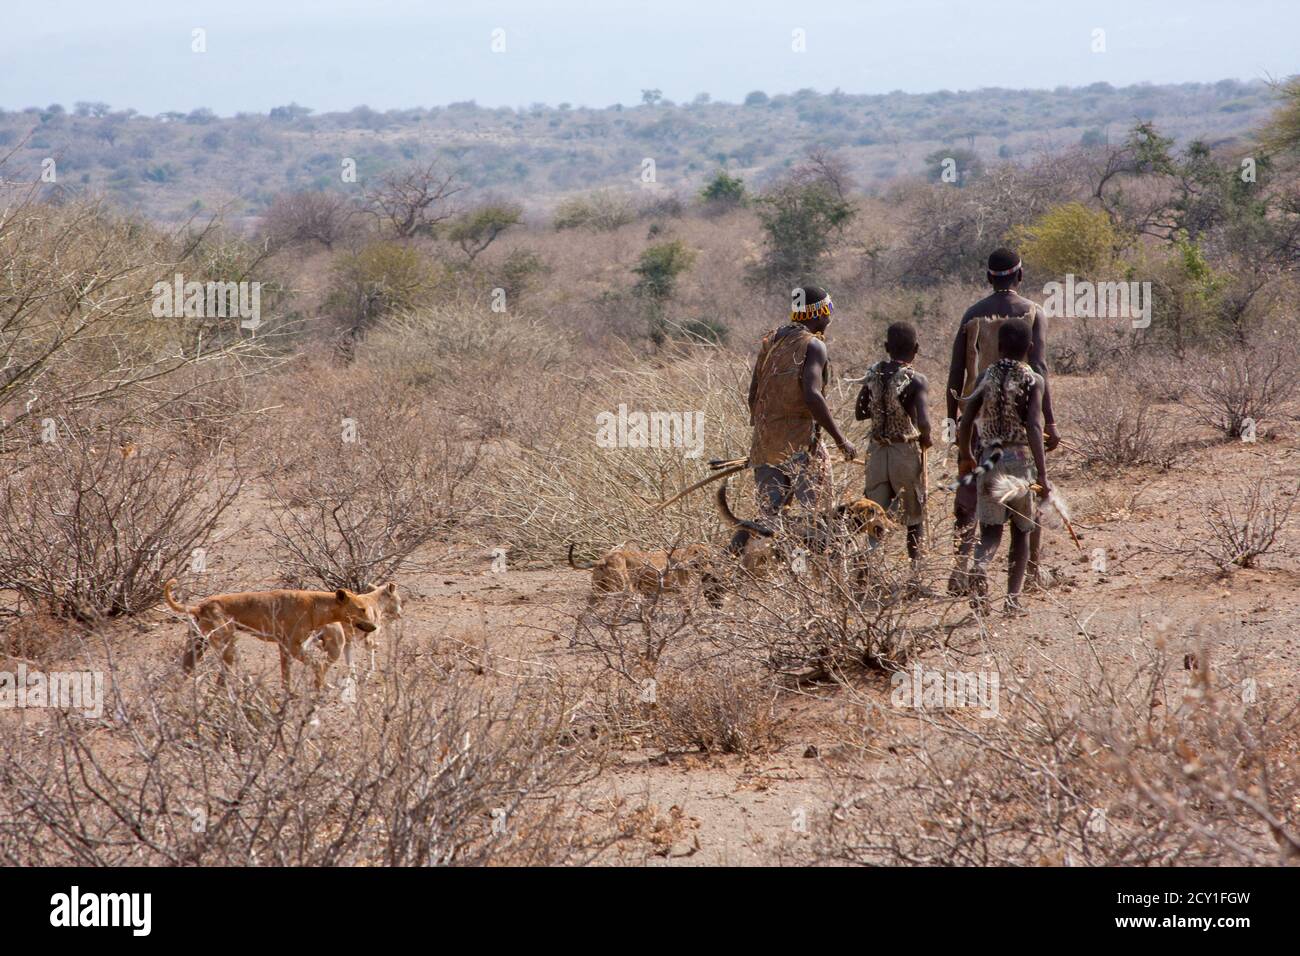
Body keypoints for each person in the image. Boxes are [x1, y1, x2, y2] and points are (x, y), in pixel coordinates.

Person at [945, 247, 1060, 594]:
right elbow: (1039, 367)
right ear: (1019, 276)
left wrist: (954, 426)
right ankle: (1031, 574)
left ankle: (960, 570)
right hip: (1019, 430)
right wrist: (1049, 422)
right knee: (1028, 503)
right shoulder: (1032, 312)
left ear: (988, 278)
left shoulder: (972, 314)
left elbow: (955, 374)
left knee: (970, 500)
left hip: (978, 423)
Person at [730, 285, 856, 554]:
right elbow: (812, 395)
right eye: (829, 311)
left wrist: (768, 434)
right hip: (800, 446)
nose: (830, 318)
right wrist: (840, 439)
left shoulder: (772, 341)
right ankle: (813, 580)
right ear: (821, 313)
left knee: (770, 519)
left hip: (765, 445)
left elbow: (754, 395)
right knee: (818, 517)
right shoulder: (813, 345)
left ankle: (776, 575)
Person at [956, 318, 1050, 614]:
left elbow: (967, 418)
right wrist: (1043, 475)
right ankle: (1012, 600)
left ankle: (980, 566)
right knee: (1021, 533)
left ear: (997, 347)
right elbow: (1035, 426)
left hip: (989, 460)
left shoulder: (986, 375)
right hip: (1019, 462)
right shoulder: (1034, 379)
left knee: (990, 533)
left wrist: (966, 456)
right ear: (1030, 348)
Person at [855, 321, 931, 566]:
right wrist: (926, 439)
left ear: (886, 347)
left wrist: (881, 407)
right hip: (903, 452)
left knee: (875, 513)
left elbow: (860, 412)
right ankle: (914, 573)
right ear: (916, 348)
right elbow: (925, 424)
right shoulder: (915, 379)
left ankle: (870, 569)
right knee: (913, 517)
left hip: (876, 452)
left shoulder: (873, 375)